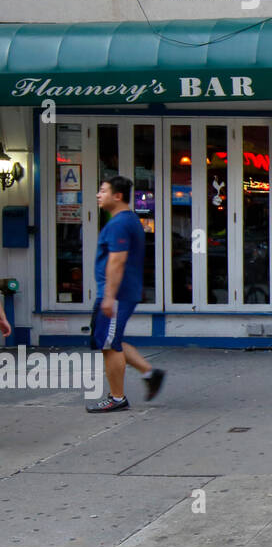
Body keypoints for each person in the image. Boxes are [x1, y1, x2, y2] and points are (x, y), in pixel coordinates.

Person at [87, 176, 164, 412]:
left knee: (109, 345)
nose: (98, 195)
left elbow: (117, 261)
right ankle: (150, 373)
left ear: (117, 196)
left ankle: (117, 397)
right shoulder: (127, 220)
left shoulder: (120, 224)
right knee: (112, 339)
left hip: (117, 294)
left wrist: (109, 297)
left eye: (103, 191)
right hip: (120, 293)